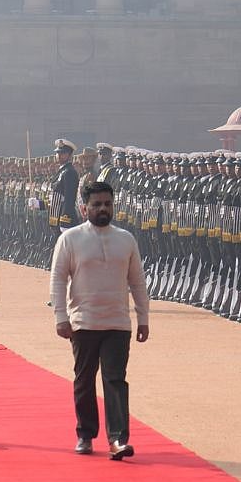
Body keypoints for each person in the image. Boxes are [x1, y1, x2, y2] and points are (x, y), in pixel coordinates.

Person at [49, 180, 150, 460]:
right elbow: (58, 280)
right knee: (84, 380)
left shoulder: (126, 239)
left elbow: (137, 282)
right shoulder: (70, 239)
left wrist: (143, 317)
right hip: (83, 322)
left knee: (115, 380)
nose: (103, 209)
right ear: (84, 208)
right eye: (96, 204)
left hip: (118, 322)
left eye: (107, 204)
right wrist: (61, 317)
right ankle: (85, 434)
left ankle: (118, 439)